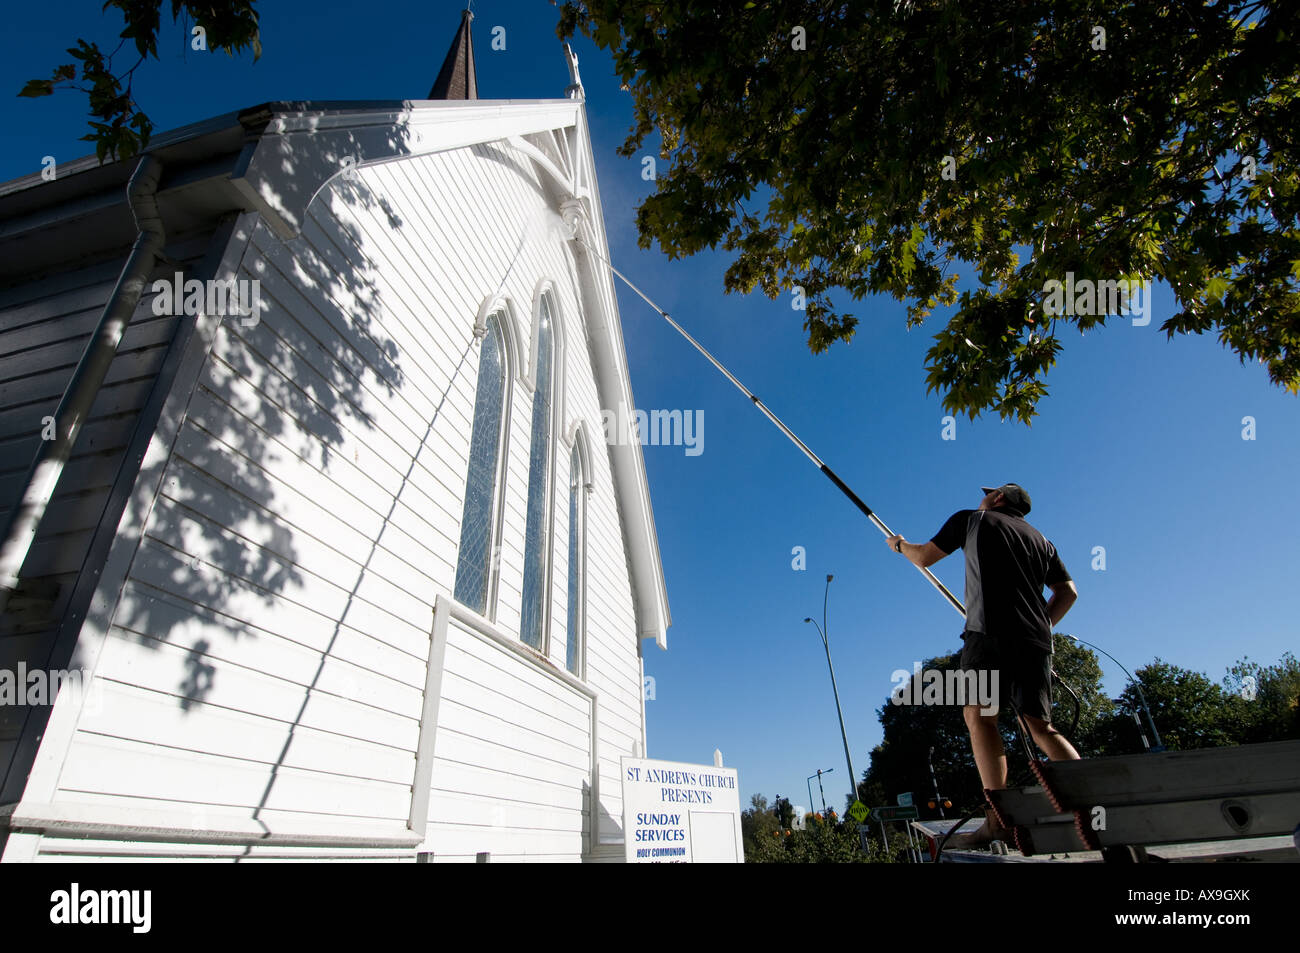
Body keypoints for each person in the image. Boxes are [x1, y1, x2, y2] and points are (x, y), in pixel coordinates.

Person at [886, 483, 1081, 843]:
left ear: (999, 498)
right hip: (1036, 643)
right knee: (1041, 729)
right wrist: (1040, 629)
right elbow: (1068, 592)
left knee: (980, 717)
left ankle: (998, 822)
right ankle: (1096, 807)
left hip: (986, 637)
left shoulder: (973, 520)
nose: (984, 496)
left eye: (989, 492)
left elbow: (924, 557)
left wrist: (899, 545)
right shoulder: (1042, 540)